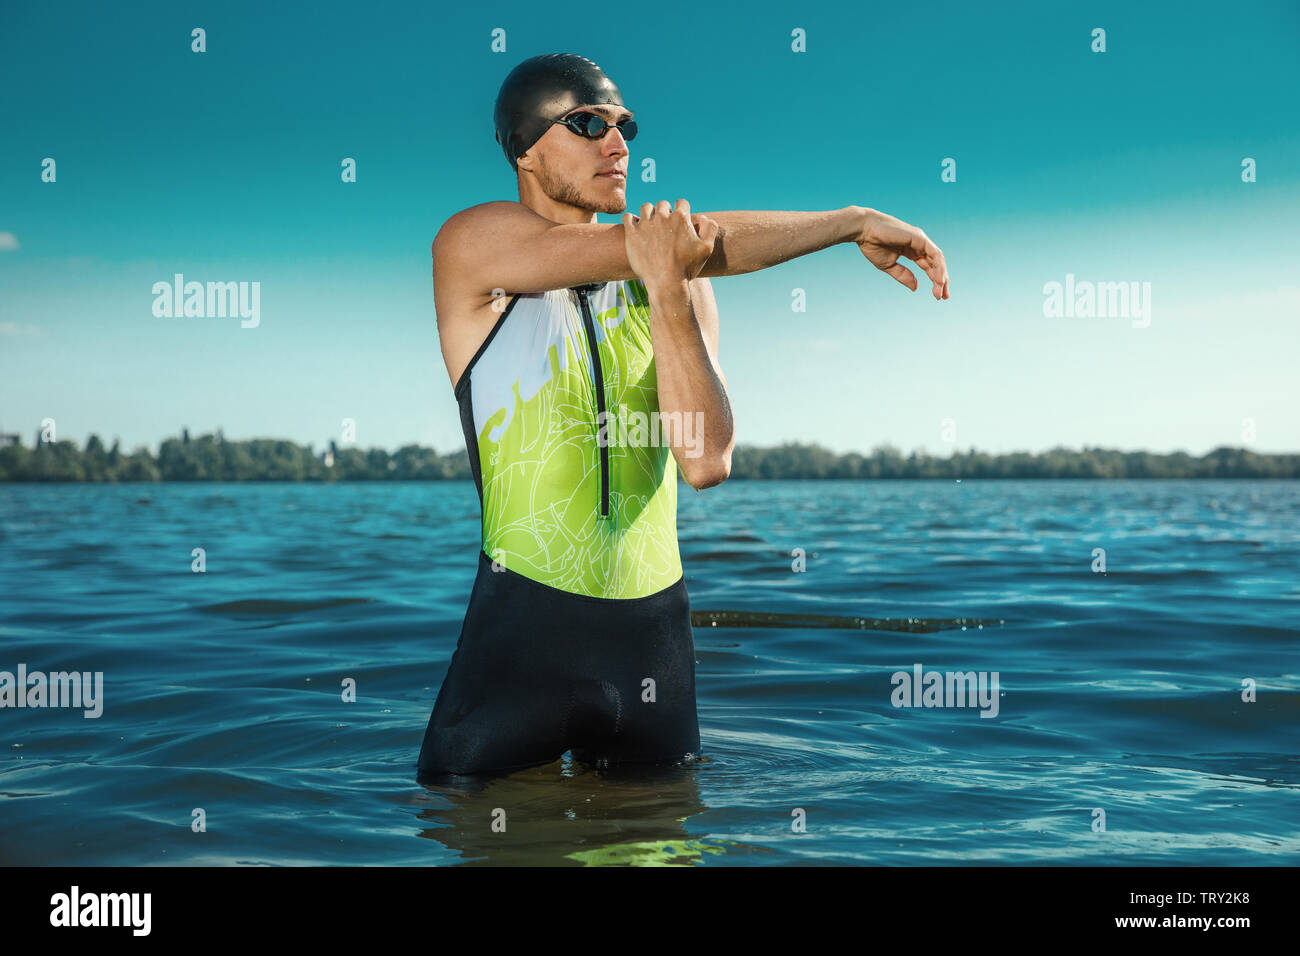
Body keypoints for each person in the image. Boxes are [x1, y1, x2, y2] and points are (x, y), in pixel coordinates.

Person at [417, 52, 949, 778]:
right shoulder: (475, 247)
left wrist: (672, 291)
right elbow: (643, 247)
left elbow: (705, 462)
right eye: (588, 123)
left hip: (653, 647)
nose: (619, 142)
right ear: (527, 151)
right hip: (517, 645)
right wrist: (843, 224)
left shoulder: (681, 283)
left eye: (625, 125)